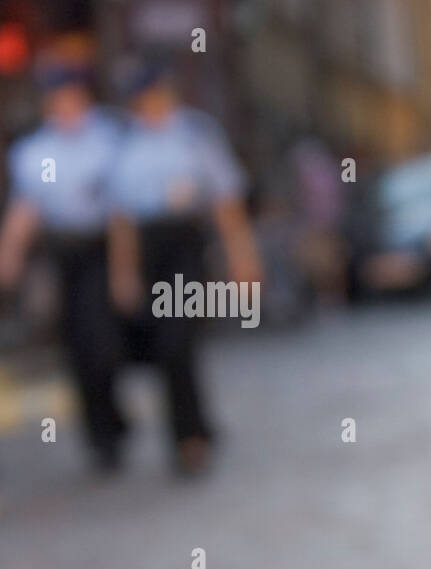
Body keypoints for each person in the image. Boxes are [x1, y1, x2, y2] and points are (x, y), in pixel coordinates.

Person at [105, 57, 262, 475]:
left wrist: (242, 258)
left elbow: (225, 201)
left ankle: (191, 437)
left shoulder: (195, 134)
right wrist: (124, 272)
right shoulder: (126, 143)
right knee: (162, 347)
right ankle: (193, 430)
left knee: (178, 340)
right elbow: (121, 218)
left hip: (185, 248)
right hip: (148, 248)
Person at [0, 53, 126, 472]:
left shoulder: (110, 137)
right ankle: (100, 435)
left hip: (105, 248)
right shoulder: (35, 152)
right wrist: (11, 255)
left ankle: (113, 418)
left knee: (103, 340)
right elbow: (28, 207)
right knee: (77, 345)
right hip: (64, 253)